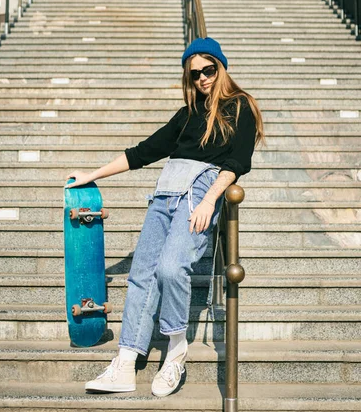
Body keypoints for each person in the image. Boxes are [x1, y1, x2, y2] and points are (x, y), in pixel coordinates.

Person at [65, 37, 265, 398]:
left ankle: (175, 351)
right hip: (164, 193)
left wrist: (209, 201)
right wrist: (92, 175)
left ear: (221, 67)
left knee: (171, 268)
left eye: (209, 70)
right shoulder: (188, 113)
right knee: (142, 274)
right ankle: (126, 362)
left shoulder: (240, 106)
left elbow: (237, 161)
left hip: (199, 193)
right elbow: (144, 151)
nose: (202, 78)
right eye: (195, 74)